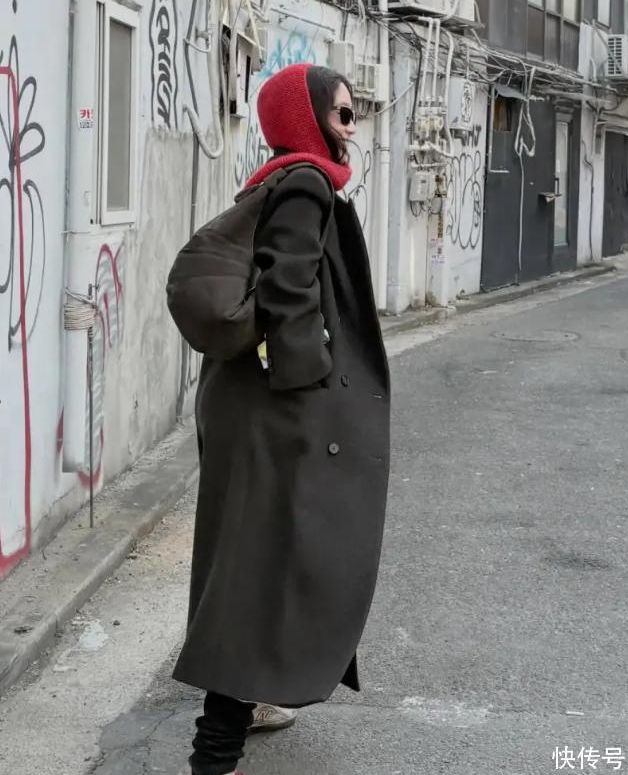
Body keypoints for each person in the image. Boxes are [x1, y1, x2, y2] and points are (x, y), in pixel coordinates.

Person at [172, 63, 391, 775]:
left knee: (257, 559)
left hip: (250, 403)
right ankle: (216, 753)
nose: (352, 127)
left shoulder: (277, 179)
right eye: (343, 114)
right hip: (278, 411)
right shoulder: (305, 183)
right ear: (307, 117)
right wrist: (313, 385)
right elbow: (289, 287)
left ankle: (257, 698)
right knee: (262, 568)